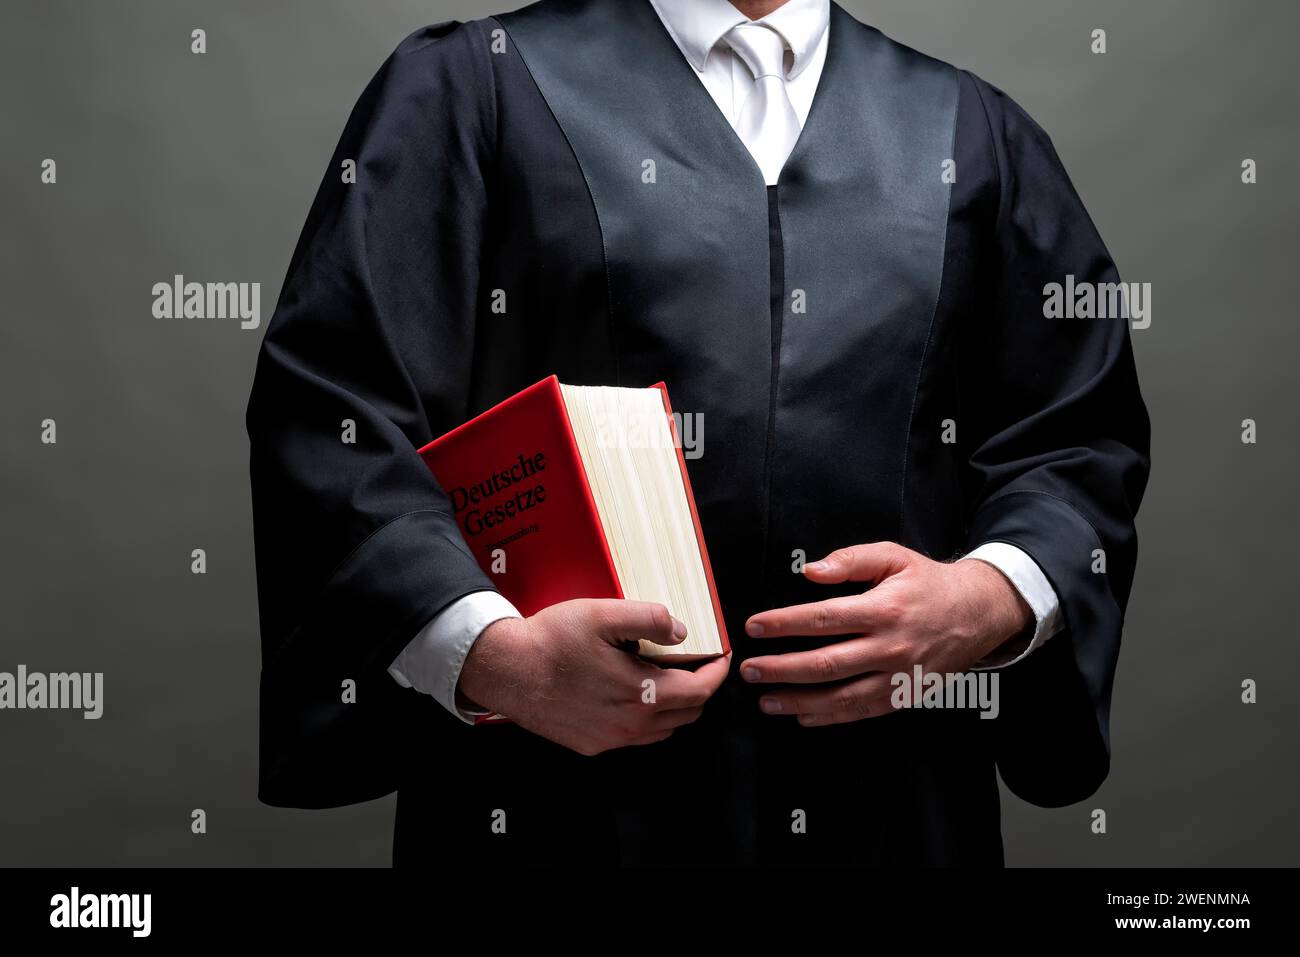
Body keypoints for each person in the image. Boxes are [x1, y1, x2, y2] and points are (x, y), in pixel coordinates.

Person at [247, 0, 1150, 866]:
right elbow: (332, 419)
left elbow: (1078, 439)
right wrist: (491, 658)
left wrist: (988, 601)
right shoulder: (473, 90)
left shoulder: (969, 132)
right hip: (554, 806)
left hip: (892, 804)